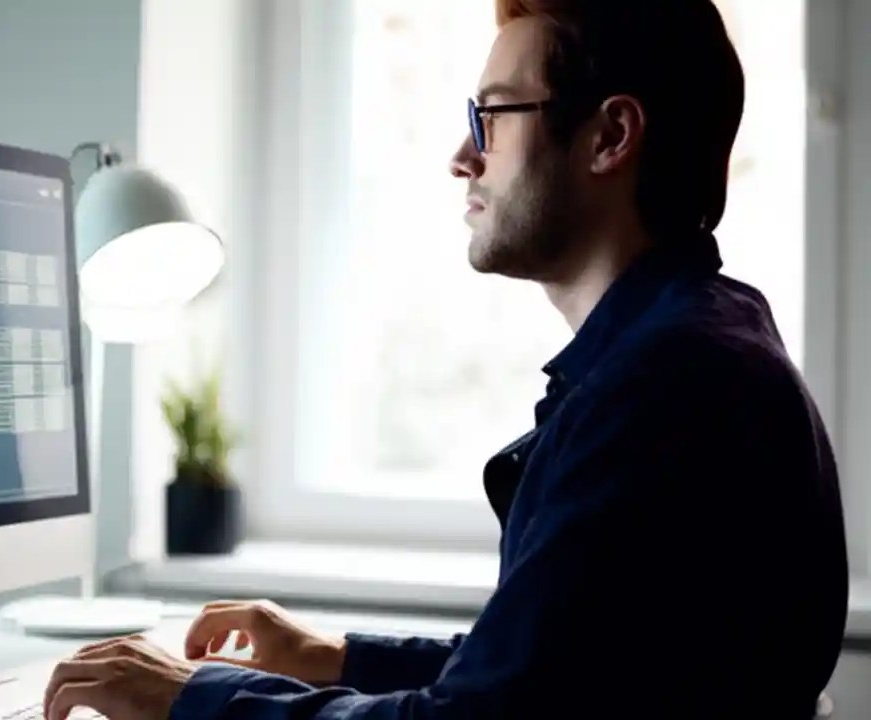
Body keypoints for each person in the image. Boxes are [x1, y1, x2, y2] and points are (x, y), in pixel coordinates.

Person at [41, 0, 849, 717]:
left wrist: (190, 699)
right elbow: (548, 671)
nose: (463, 158)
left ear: (609, 136)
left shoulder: (666, 389)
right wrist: (330, 657)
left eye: (493, 117)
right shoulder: (693, 342)